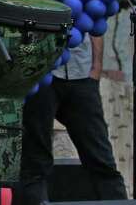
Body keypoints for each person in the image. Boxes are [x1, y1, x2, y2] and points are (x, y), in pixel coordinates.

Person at [15, 30, 128, 203]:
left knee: (102, 159)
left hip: (81, 75)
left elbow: (95, 18)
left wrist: (96, 69)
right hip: (41, 72)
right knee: (35, 162)